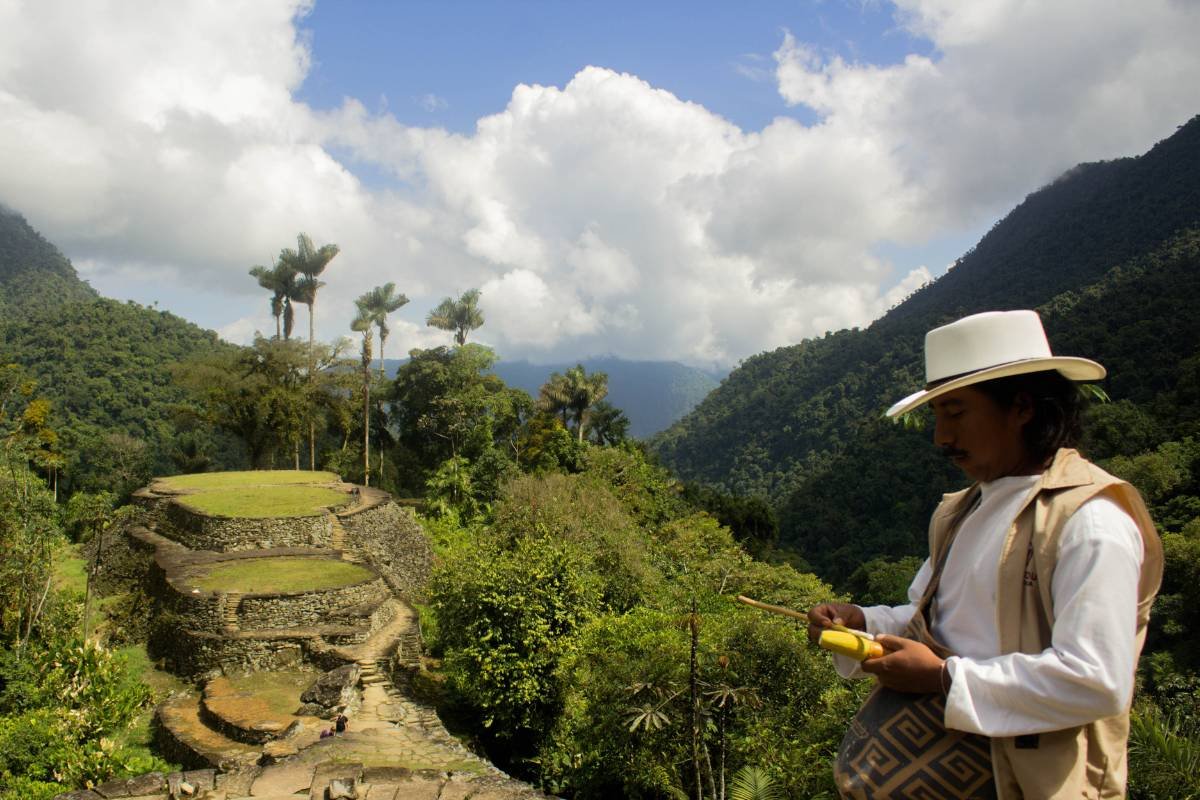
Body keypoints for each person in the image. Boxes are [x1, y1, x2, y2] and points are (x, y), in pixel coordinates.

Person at [808, 310, 1163, 799]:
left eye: (955, 413)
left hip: (1030, 779)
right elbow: (933, 617)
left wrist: (942, 678)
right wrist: (864, 624)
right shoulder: (963, 511)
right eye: (936, 416)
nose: (942, 438)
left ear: (1021, 406)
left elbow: (1096, 680)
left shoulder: (1088, 523)